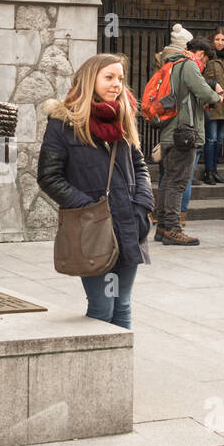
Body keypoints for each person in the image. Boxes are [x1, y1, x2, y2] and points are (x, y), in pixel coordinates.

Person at [38, 54, 154, 329]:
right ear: (91, 80)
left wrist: (143, 204)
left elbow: (139, 164)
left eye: (120, 79)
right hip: (91, 229)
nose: (116, 84)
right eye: (109, 77)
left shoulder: (122, 117)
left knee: (123, 305)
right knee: (102, 308)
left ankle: (119, 372)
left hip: (128, 224)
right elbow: (48, 176)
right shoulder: (63, 123)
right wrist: (89, 208)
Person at [154, 31, 224, 245]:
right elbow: (204, 93)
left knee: (167, 181)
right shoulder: (188, 64)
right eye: (205, 60)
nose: (204, 64)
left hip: (170, 132)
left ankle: (162, 228)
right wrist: (218, 95)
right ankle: (173, 229)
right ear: (201, 53)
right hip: (184, 134)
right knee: (177, 183)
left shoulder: (172, 64)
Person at [201, 26, 224, 185]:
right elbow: (198, 77)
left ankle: (215, 170)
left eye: (223, 40)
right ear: (212, 40)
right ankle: (208, 172)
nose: (220, 42)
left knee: (220, 140)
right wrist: (214, 84)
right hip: (212, 102)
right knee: (211, 138)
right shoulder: (206, 56)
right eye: (217, 39)